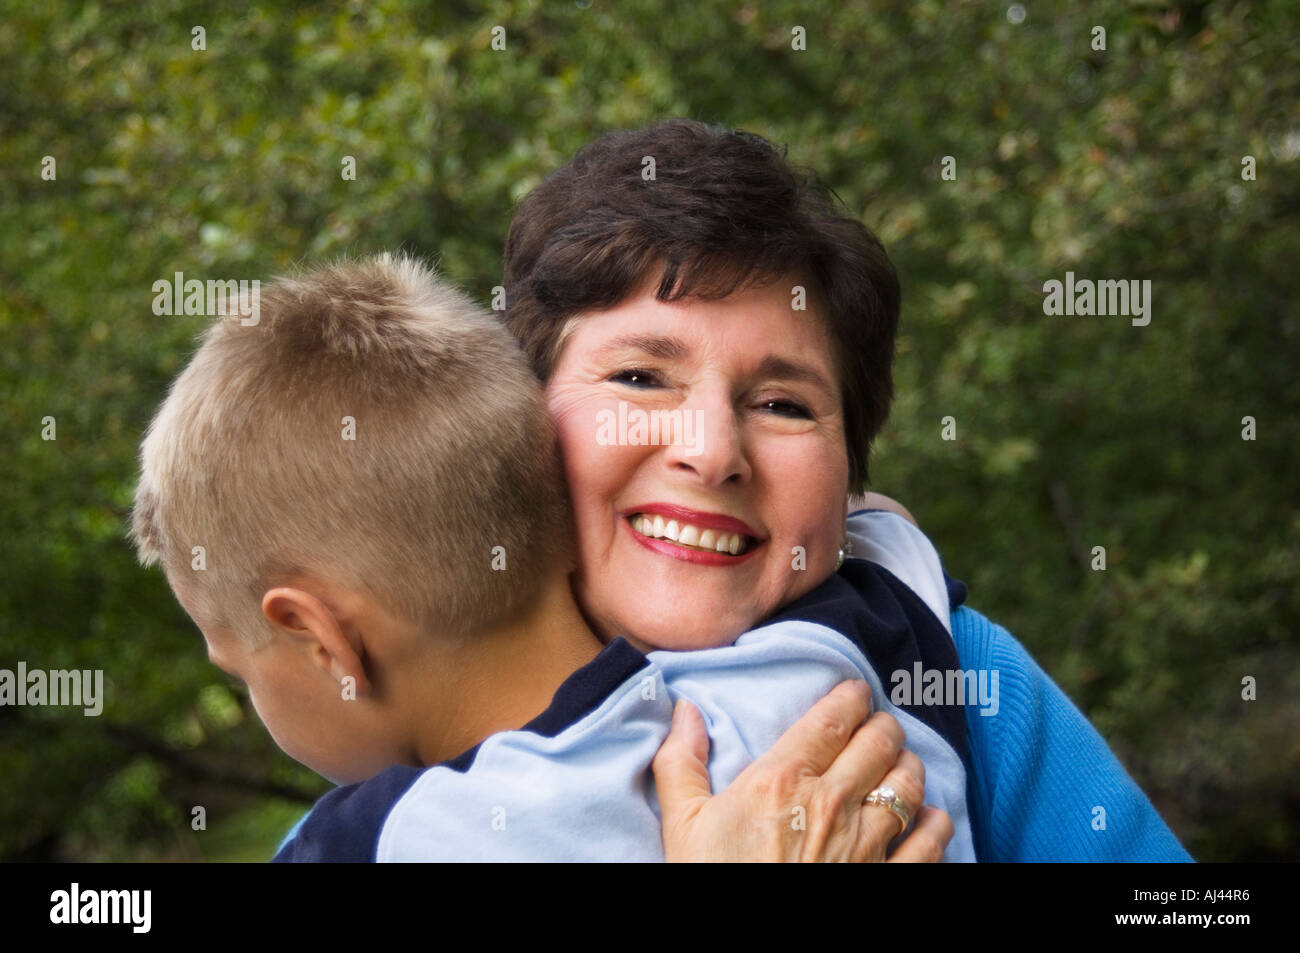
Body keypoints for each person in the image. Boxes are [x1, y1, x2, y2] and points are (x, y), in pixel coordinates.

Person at [500, 117, 1193, 861]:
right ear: (516, 415)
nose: (712, 454)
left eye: (782, 405)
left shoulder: (957, 672)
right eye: (639, 377)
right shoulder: (403, 691)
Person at [129, 253, 954, 862]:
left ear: (324, 641)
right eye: (639, 378)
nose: (710, 455)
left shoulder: (382, 841)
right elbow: (878, 530)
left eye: (240, 670)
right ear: (555, 494)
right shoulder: (857, 632)